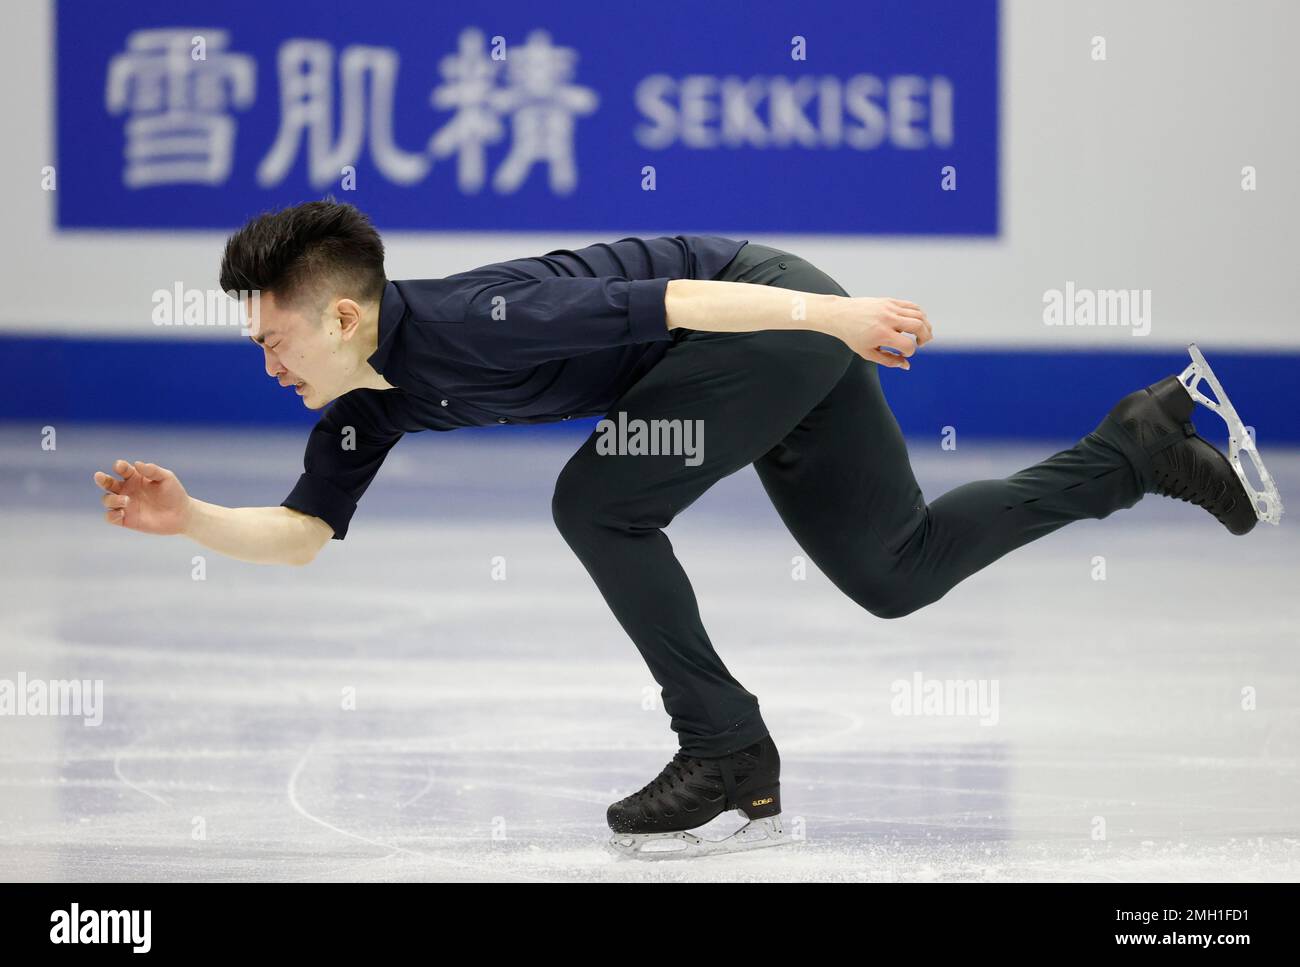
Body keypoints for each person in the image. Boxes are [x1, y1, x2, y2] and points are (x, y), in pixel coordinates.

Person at [92, 200, 1274, 860]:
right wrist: (189, 515)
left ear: (343, 316)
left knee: (595, 500)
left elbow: (673, 299)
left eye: (273, 338)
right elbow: (306, 533)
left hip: (764, 317)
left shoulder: (482, 320)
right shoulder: (364, 404)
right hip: (741, 358)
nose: (265, 359)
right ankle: (1137, 446)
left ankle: (724, 749)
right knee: (891, 568)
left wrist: (836, 315)